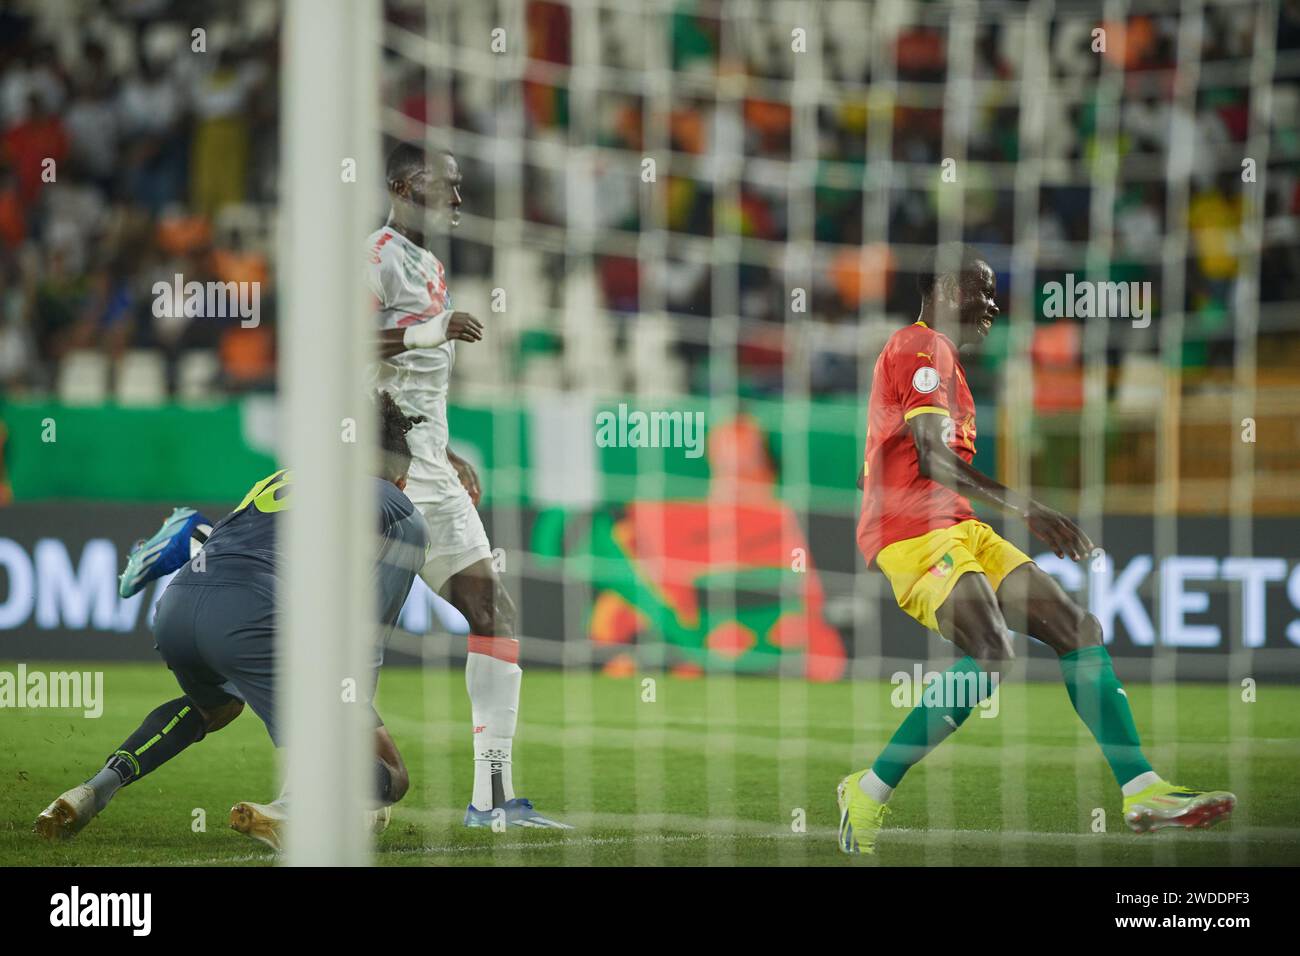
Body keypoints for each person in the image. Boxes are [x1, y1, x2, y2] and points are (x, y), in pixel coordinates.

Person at [838, 242, 1235, 855]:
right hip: (913, 534)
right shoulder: (921, 345)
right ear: (945, 290)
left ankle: (1143, 788)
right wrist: (1032, 510)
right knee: (991, 651)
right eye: (983, 289)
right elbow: (931, 457)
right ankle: (868, 790)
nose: (994, 302)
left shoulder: (941, 360)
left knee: (1077, 627)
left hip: (956, 526)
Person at [35, 392, 430, 850]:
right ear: (398, 479)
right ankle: (292, 809)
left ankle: (91, 791)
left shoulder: (285, 479)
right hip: (252, 616)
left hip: (178, 607)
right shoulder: (404, 516)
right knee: (393, 776)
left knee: (217, 705)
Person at [366, 143, 568, 828]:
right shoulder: (377, 255)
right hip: (381, 470)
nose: (456, 199)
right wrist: (432, 329)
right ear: (402, 184)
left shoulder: (429, 265)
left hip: (426, 461)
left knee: (494, 612)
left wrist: (446, 451)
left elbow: (410, 381)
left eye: (458, 186)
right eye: (443, 185)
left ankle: (492, 797)